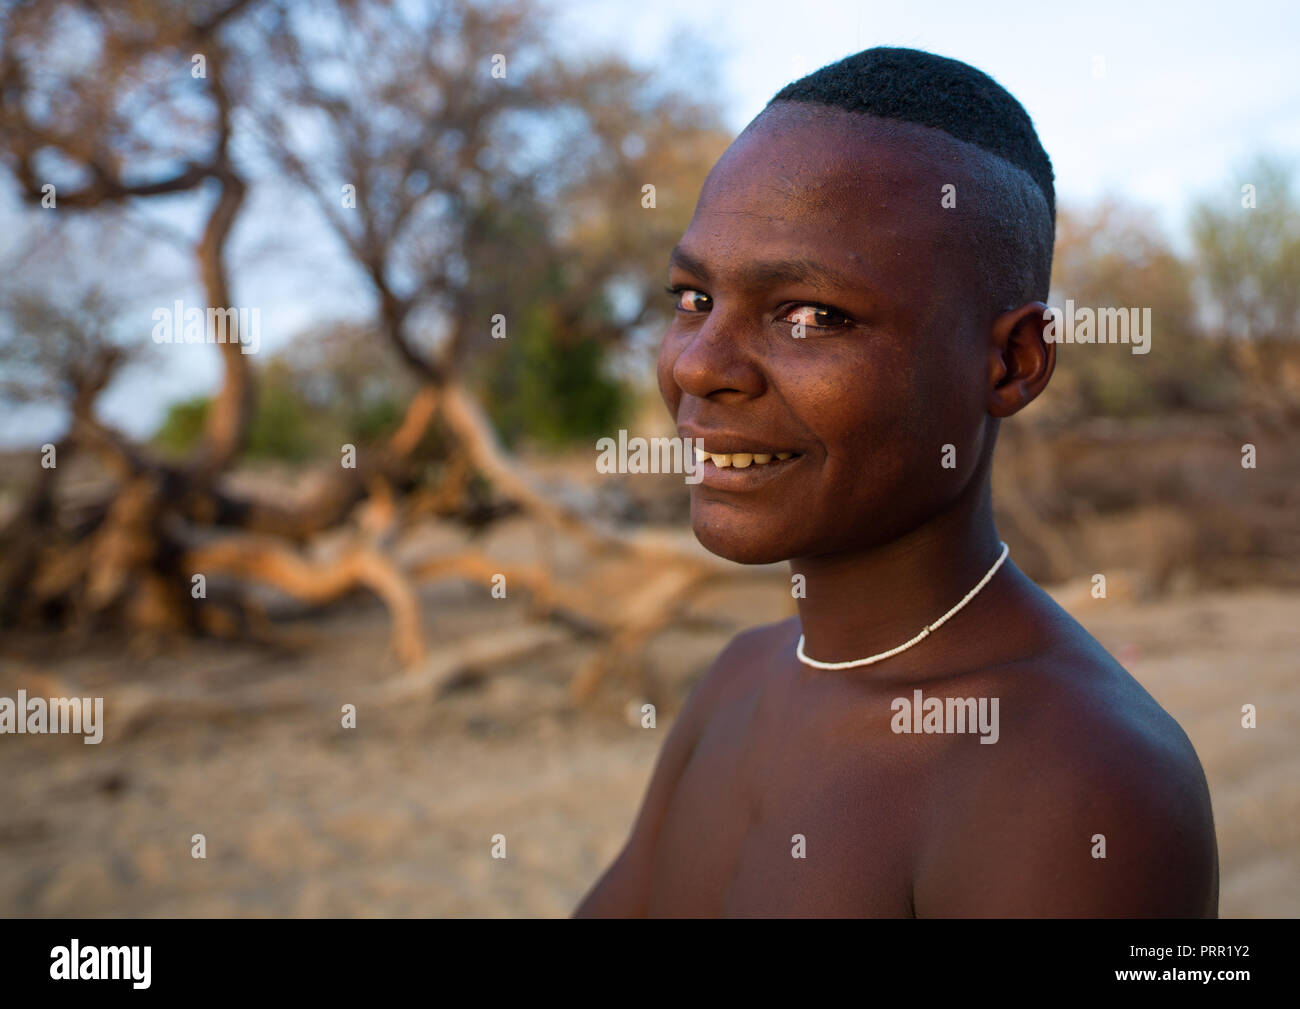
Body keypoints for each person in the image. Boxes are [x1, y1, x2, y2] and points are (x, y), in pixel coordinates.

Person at [574, 47, 1219, 918]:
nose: (699, 366)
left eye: (810, 316)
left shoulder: (1077, 781)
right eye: (693, 297)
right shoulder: (741, 676)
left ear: (1012, 362)